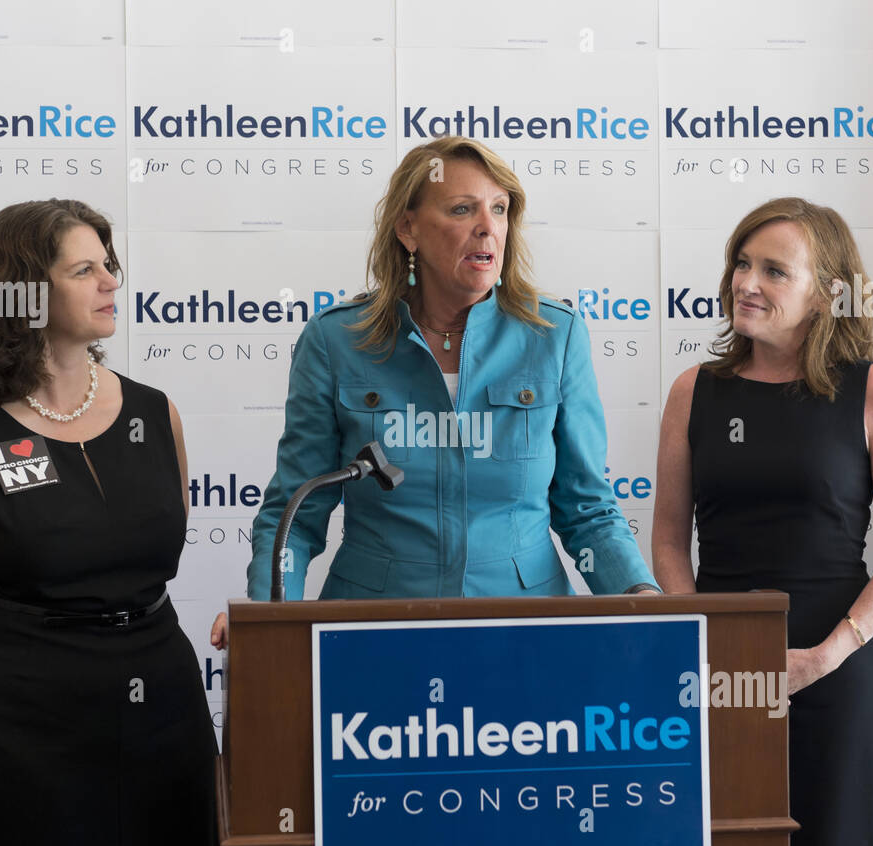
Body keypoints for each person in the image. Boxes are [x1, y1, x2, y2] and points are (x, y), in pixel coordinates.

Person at [0, 199, 217, 846]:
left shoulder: (158, 414)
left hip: (160, 718)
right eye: (85, 269)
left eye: (109, 265)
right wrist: (6, 692)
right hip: (11, 739)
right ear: (25, 294)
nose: (111, 282)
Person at [244, 137, 656, 602]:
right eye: (463, 210)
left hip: (523, 625)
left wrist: (636, 590)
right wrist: (267, 616)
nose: (487, 228)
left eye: (499, 209)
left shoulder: (554, 336)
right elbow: (296, 514)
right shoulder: (337, 341)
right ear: (408, 229)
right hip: (376, 626)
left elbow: (586, 509)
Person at [652, 197, 873, 846]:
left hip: (836, 668)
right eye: (742, 264)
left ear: (828, 291)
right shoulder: (695, 391)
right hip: (719, 674)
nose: (747, 283)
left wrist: (823, 657)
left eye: (775, 271)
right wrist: (703, 640)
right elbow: (666, 539)